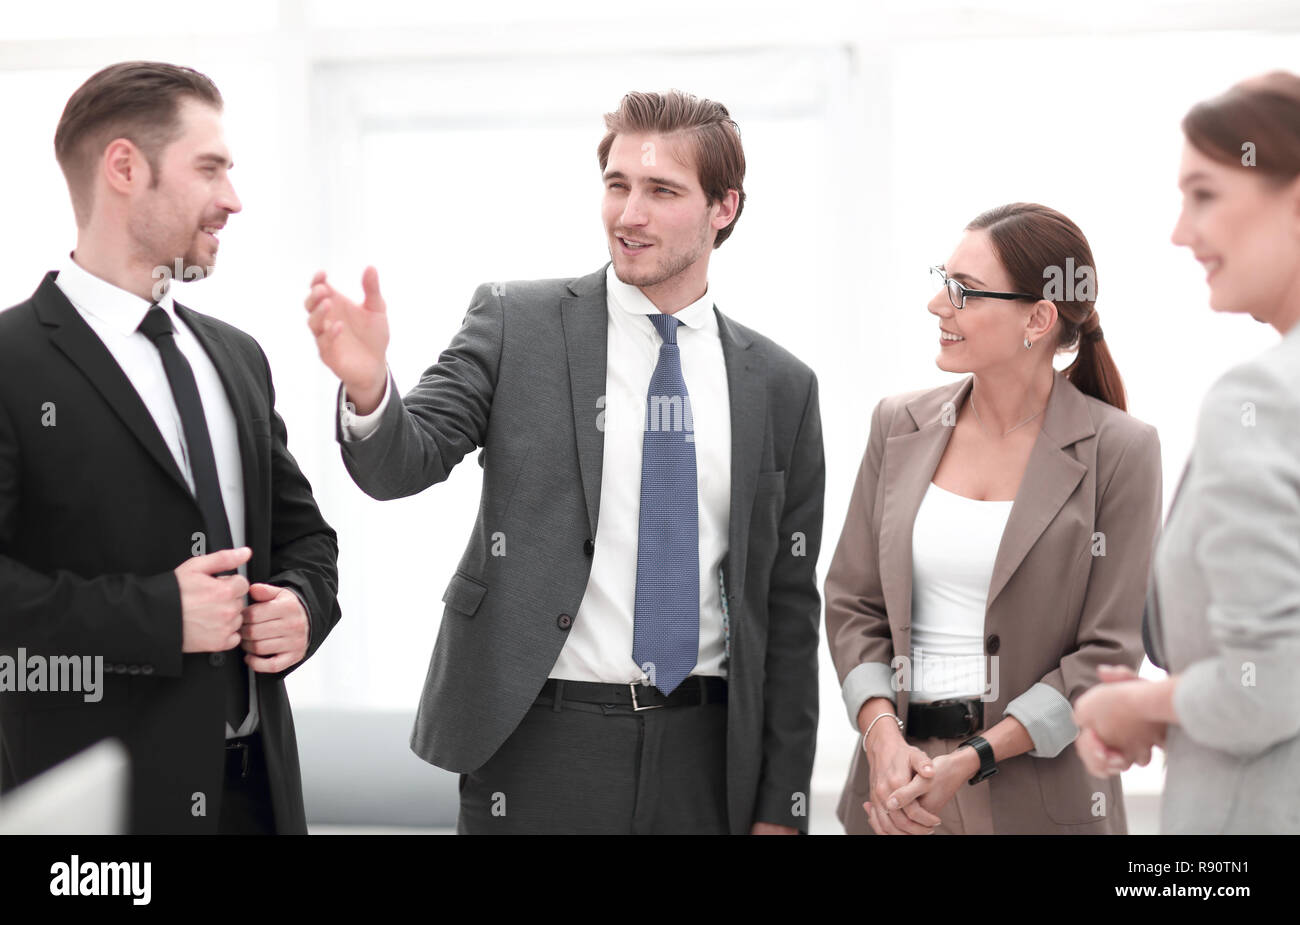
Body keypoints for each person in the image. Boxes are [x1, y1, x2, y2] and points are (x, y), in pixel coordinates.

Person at [305, 90, 823, 835]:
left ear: (724, 207)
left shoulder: (781, 386)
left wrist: (782, 808)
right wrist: (368, 387)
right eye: (617, 185)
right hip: (539, 743)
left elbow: (787, 610)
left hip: (706, 756)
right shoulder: (517, 320)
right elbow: (401, 463)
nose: (629, 214)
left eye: (661, 191)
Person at [0, 61, 341, 834]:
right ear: (125, 166)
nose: (233, 199)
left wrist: (300, 608)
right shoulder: (10, 362)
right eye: (210, 168)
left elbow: (307, 542)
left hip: (260, 799)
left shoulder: (238, 356)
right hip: (98, 820)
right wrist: (155, 615)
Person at [824, 203, 1162, 834]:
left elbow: (1108, 652)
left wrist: (975, 757)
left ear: (1038, 317)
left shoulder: (1120, 450)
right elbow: (852, 602)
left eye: (966, 291)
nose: (937, 304)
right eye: (942, 279)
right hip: (894, 797)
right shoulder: (898, 425)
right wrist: (881, 738)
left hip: (1044, 803)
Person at [1074, 71, 1300, 835]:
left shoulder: (1265, 399)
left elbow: (1270, 680)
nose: (1180, 231)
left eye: (1204, 193)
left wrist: (1136, 702)